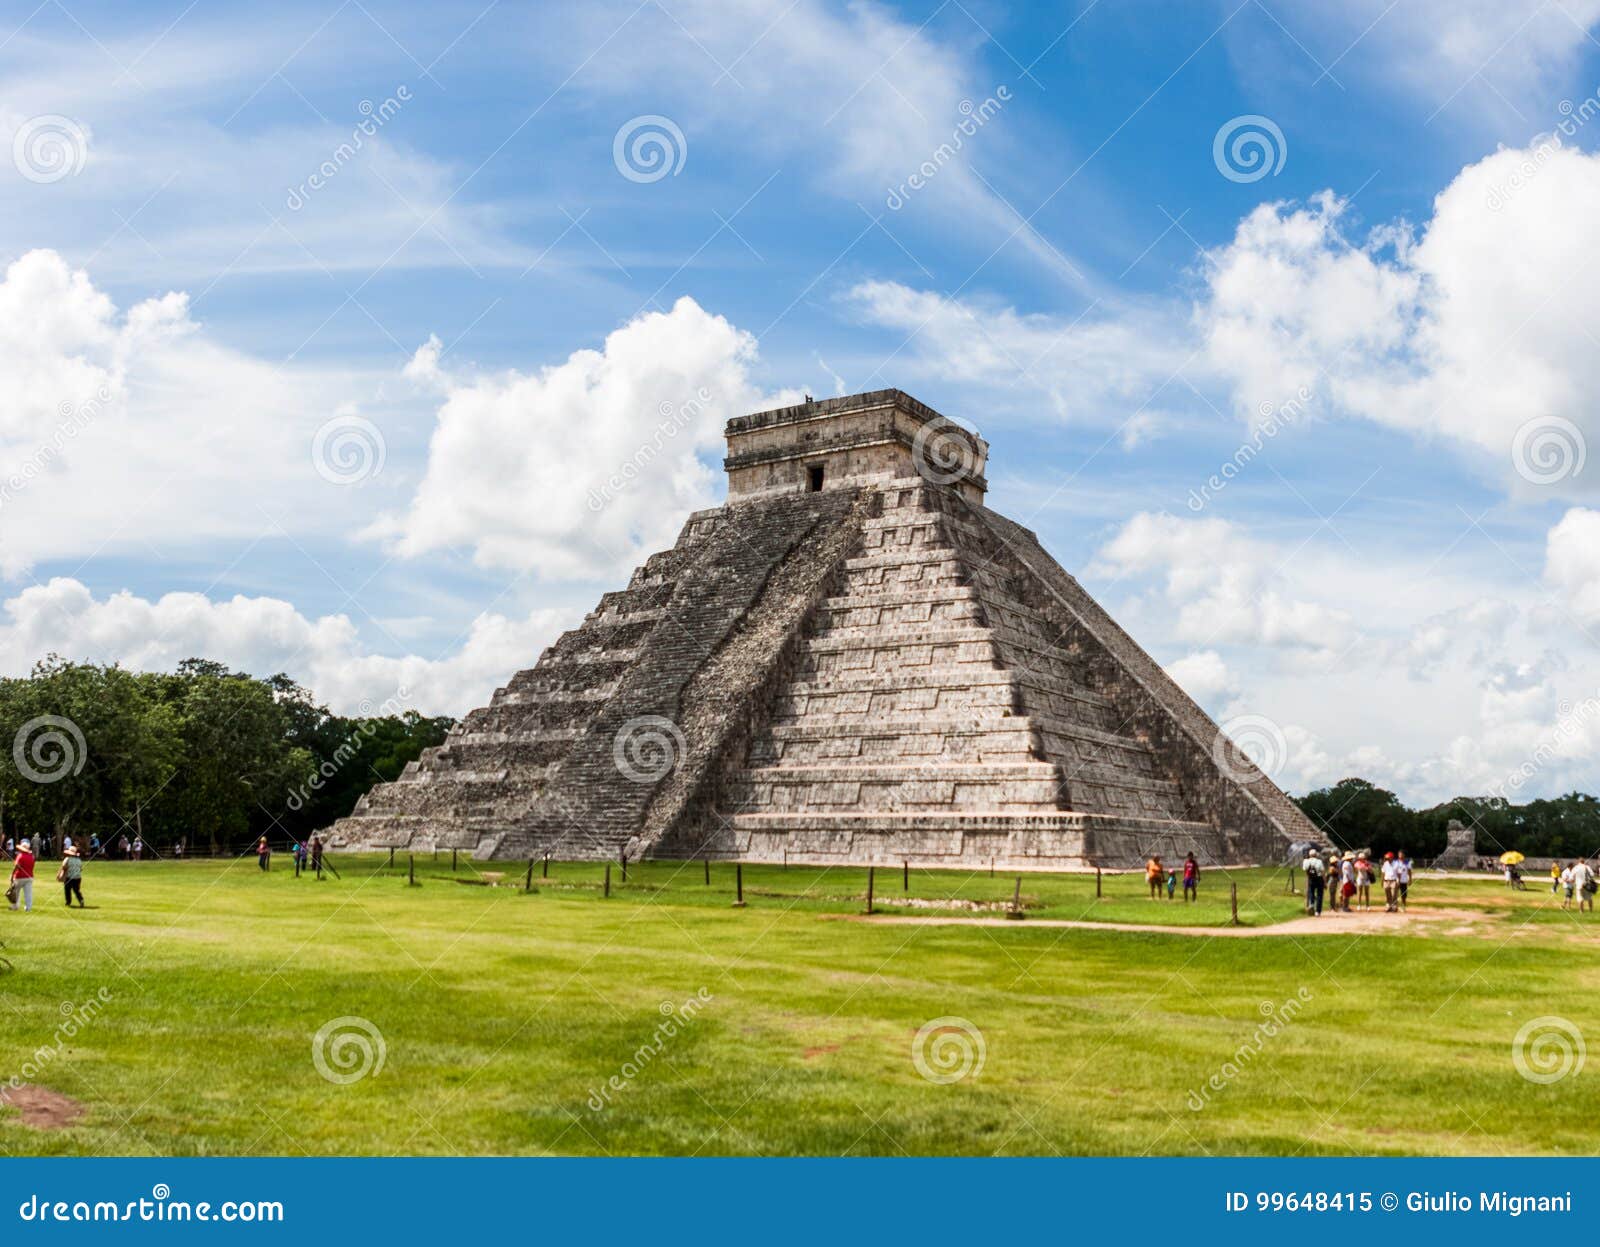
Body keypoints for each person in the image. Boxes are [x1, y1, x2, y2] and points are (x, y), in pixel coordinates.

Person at [9, 838, 35, 913]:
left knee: (16, 892)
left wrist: (12, 875)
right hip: (29, 876)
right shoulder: (31, 857)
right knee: (28, 894)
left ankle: (15, 906)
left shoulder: (20, 856)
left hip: (19, 877)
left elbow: (16, 867)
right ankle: (28, 908)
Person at [1302, 847, 1325, 915]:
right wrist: (1325, 881)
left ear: (1309, 855)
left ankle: (1311, 905)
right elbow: (1323, 872)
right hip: (1319, 878)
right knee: (1319, 895)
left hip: (1311, 879)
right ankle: (1318, 911)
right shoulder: (1319, 861)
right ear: (1316, 855)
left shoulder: (1306, 861)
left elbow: (1305, 870)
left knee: (1311, 893)